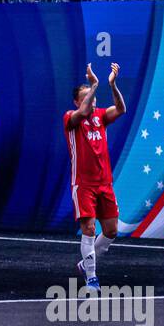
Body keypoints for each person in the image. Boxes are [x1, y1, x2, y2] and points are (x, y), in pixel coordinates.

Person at [64, 63, 126, 290]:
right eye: (87, 96)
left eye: (93, 96)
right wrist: (95, 85)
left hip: (105, 183)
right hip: (84, 184)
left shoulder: (100, 117)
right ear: (77, 101)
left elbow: (121, 109)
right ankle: (91, 278)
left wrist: (111, 84)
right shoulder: (71, 118)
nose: (92, 99)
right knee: (89, 229)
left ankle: (85, 264)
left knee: (110, 230)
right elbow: (81, 113)